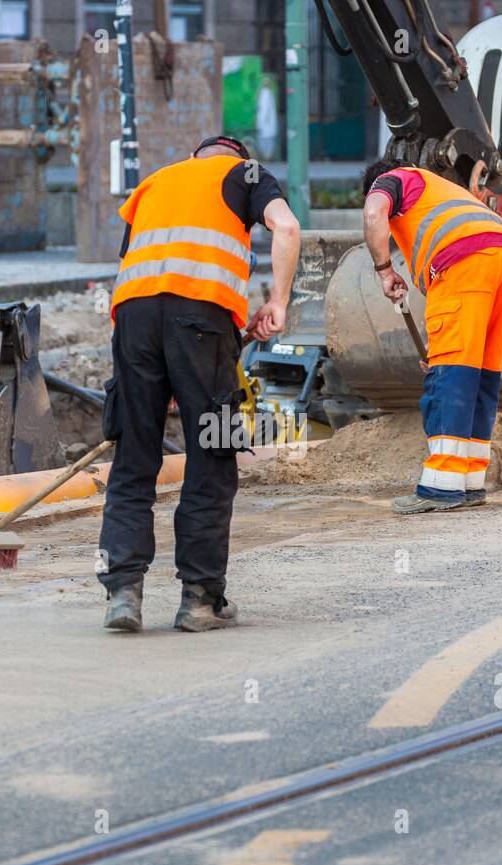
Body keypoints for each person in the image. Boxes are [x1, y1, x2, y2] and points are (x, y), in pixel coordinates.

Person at [98, 135, 301, 632]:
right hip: (201, 325)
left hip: (134, 322)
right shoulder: (245, 174)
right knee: (212, 454)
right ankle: (200, 599)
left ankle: (122, 592)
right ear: (238, 157)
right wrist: (277, 303)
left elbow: (138, 272)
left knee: (133, 457)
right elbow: (288, 228)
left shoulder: (155, 182)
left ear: (194, 156)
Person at [361, 160, 502, 514]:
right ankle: (469, 479)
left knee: (453, 373)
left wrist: (384, 269)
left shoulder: (394, 180)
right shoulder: (444, 193)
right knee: (479, 373)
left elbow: (374, 213)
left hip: (469, 262)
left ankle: (441, 484)